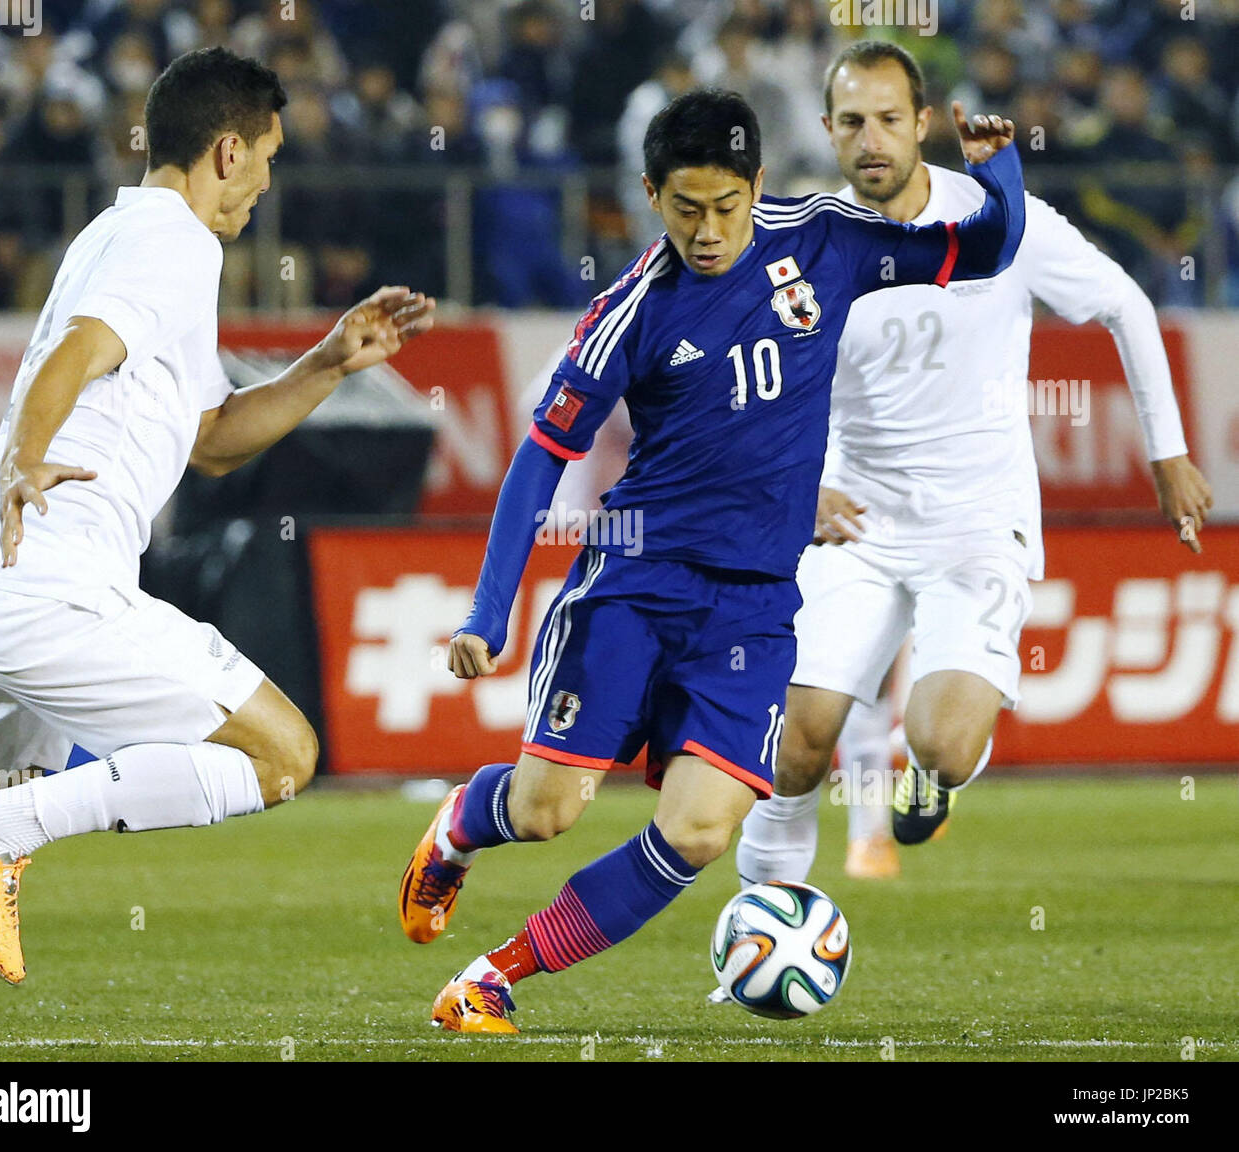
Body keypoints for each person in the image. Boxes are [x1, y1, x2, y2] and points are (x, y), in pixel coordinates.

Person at [398, 85, 1026, 1034]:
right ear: (651, 194)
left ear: (758, 185)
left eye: (726, 207)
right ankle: (456, 829)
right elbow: (540, 460)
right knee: (544, 812)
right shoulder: (633, 310)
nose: (706, 230)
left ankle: (494, 977)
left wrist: (996, 174)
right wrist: (489, 611)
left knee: (696, 831)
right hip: (636, 587)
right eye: (685, 207)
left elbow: (980, 249)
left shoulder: (826, 241)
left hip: (755, 612)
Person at [0, 46, 433, 984]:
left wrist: (326, 363)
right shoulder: (175, 244)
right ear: (227, 152)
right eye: (271, 155)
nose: (269, 179)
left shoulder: (121, 235)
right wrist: (29, 459)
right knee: (281, 755)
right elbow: (79, 351)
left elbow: (210, 439)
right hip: (50, 576)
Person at [732, 40, 1211, 904]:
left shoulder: (999, 219)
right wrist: (796, 491)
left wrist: (1168, 453)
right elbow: (758, 400)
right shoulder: (803, 250)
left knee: (940, 743)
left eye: (887, 119)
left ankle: (938, 780)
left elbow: (1125, 304)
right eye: (851, 123)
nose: (871, 139)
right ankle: (764, 923)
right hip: (856, 521)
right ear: (829, 131)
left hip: (977, 525)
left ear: (921, 124)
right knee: (795, 740)